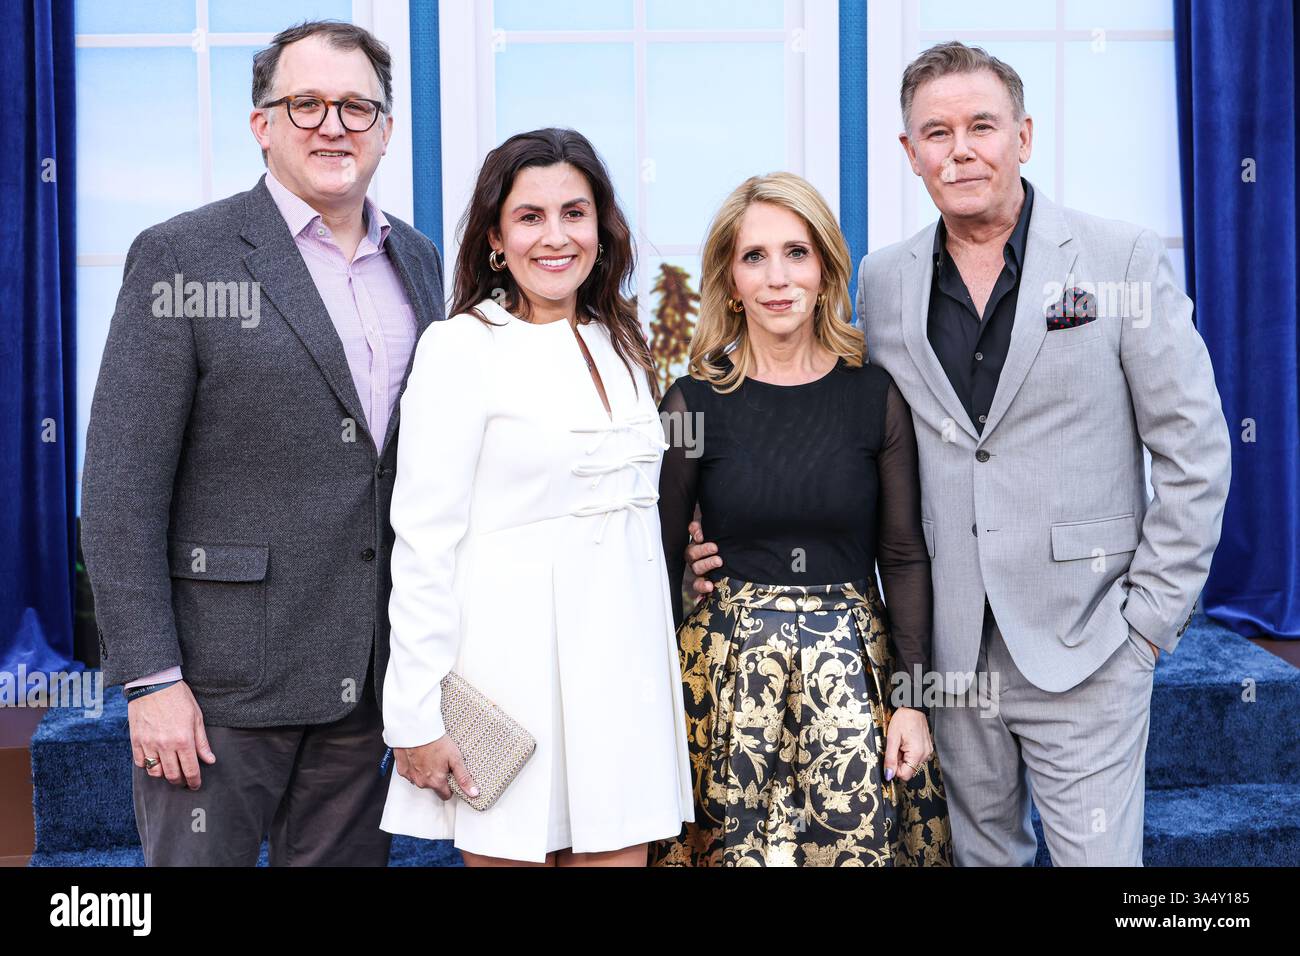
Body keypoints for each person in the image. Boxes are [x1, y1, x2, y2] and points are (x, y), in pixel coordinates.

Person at [690, 42, 1231, 866]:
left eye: (982, 125)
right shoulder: (884, 281)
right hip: (946, 656)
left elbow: (1194, 449)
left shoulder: (1118, 258)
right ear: (910, 154)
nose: (961, 148)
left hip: (1086, 643)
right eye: (936, 132)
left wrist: (1148, 623)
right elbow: (832, 437)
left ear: (1025, 134)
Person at [80, 21, 445, 866]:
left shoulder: (418, 260)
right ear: (262, 124)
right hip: (216, 691)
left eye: (356, 106)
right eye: (305, 103)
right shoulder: (183, 255)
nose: (333, 125)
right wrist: (152, 681)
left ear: (386, 129)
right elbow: (120, 487)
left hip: (363, 679)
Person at [379, 128, 693, 867]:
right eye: (530, 217)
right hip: (508, 680)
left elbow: (634, 509)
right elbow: (422, 543)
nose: (556, 237)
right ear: (496, 236)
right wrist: (415, 716)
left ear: (601, 227)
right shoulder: (461, 348)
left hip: (624, 677)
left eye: (574, 213)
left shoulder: (623, 343)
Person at [650, 172, 953, 867]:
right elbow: (658, 557)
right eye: (754, 256)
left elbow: (904, 556)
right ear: (729, 279)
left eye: (797, 252)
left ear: (825, 271)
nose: (777, 277)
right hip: (723, 688)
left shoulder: (875, 396)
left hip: (855, 678)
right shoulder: (693, 405)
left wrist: (911, 702)